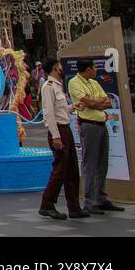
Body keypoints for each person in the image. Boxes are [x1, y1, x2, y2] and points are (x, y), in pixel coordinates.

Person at [68, 59, 122, 214]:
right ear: (88, 69)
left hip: (101, 124)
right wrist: (97, 102)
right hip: (88, 124)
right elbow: (89, 103)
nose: (96, 70)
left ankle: (101, 197)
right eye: (94, 68)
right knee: (90, 163)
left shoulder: (93, 82)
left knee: (102, 163)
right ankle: (90, 201)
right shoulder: (74, 82)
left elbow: (108, 102)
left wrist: (96, 103)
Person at [39, 57, 89, 220]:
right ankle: (47, 204)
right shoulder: (48, 87)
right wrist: (55, 136)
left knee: (72, 170)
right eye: (60, 65)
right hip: (59, 131)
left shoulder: (58, 86)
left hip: (65, 129)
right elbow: (49, 114)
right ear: (55, 68)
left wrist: (73, 107)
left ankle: (74, 207)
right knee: (60, 170)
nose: (62, 67)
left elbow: (60, 110)